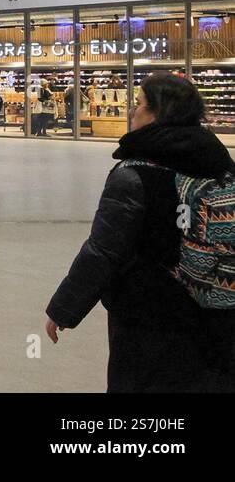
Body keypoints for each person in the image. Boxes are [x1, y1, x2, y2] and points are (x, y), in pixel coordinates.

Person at [45, 73, 235, 391]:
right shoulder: (221, 163)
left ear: (158, 114)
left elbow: (103, 251)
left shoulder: (134, 174)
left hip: (148, 316)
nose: (133, 111)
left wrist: (63, 309)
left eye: (139, 105)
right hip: (217, 311)